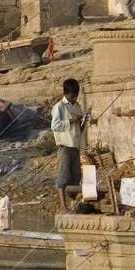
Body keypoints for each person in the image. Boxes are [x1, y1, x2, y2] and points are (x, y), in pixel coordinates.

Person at [51, 77, 89, 213]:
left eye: (75, 96)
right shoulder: (59, 107)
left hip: (75, 145)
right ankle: (63, 206)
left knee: (76, 176)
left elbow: (79, 127)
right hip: (65, 146)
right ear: (67, 94)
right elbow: (55, 126)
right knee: (63, 176)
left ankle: (73, 204)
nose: (74, 98)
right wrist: (72, 120)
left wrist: (84, 121)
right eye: (72, 95)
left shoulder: (77, 106)